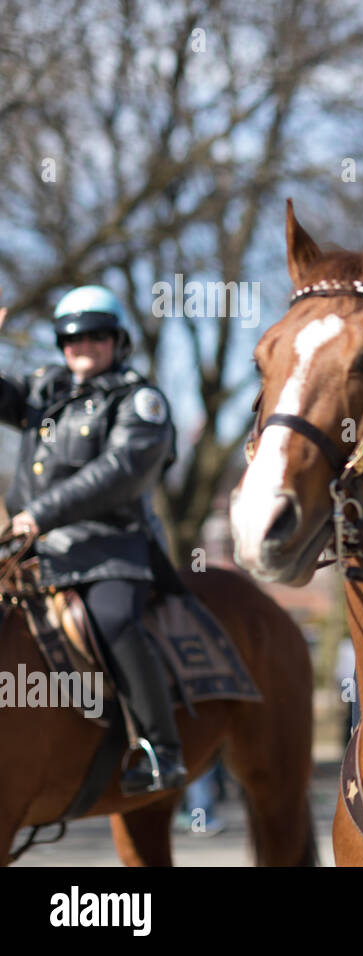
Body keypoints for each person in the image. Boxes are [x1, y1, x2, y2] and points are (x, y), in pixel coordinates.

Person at [0, 284, 185, 794]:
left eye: (97, 335)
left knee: (112, 621)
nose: (83, 346)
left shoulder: (140, 400)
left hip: (110, 549)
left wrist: (39, 513)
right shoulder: (45, 388)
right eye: (72, 337)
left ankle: (161, 750)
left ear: (118, 341)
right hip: (33, 549)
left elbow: (119, 472)